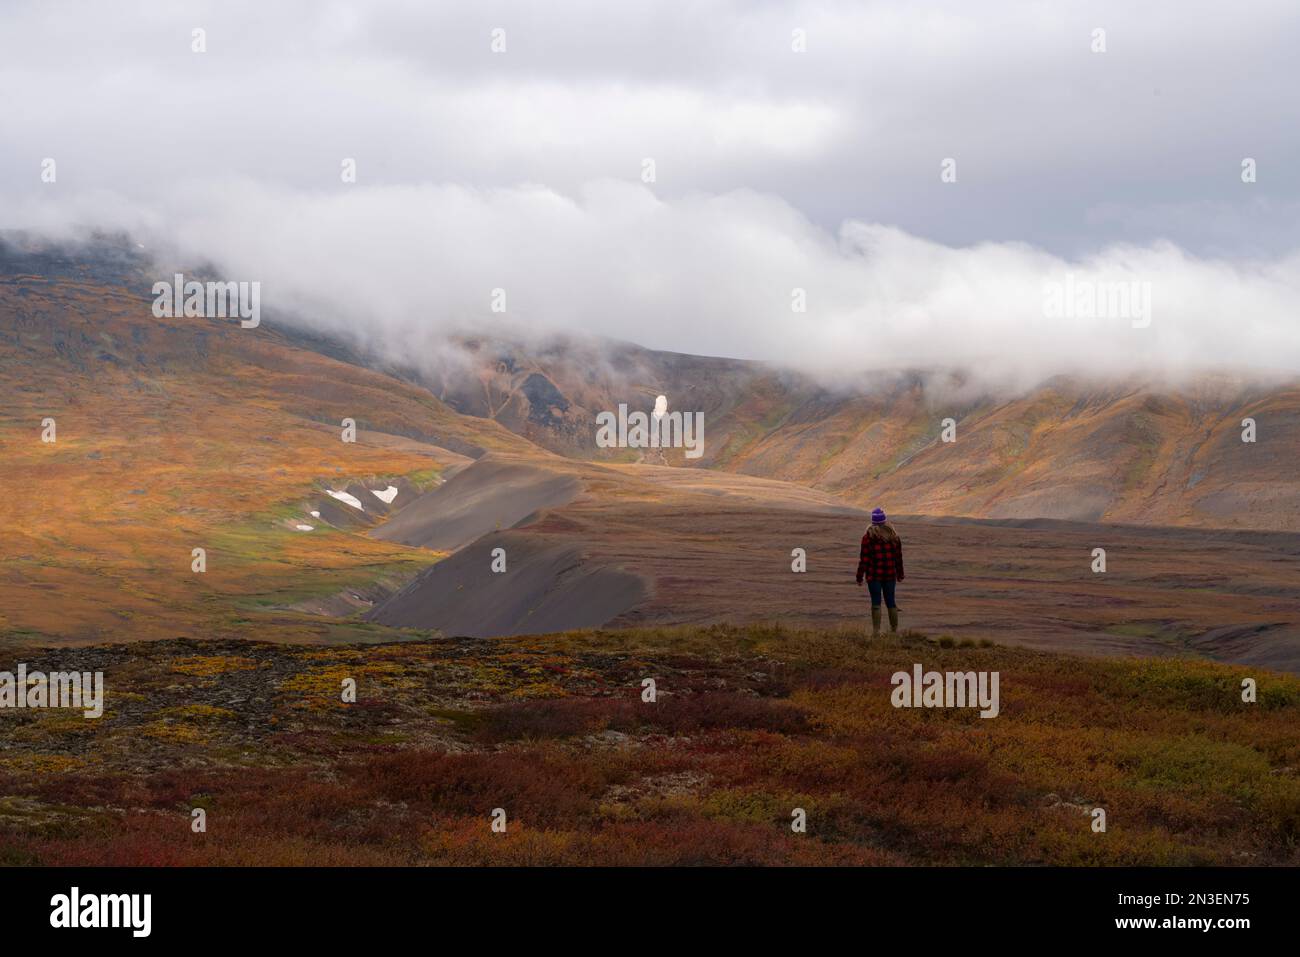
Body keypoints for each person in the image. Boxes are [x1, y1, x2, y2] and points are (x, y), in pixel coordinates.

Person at [855, 507, 904, 637]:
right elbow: (898, 558)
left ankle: (876, 632)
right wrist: (900, 574)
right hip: (890, 575)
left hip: (873, 575)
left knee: (876, 602)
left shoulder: (868, 537)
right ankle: (894, 632)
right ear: (885, 520)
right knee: (891, 602)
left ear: (872, 521)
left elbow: (864, 559)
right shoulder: (894, 537)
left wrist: (859, 576)